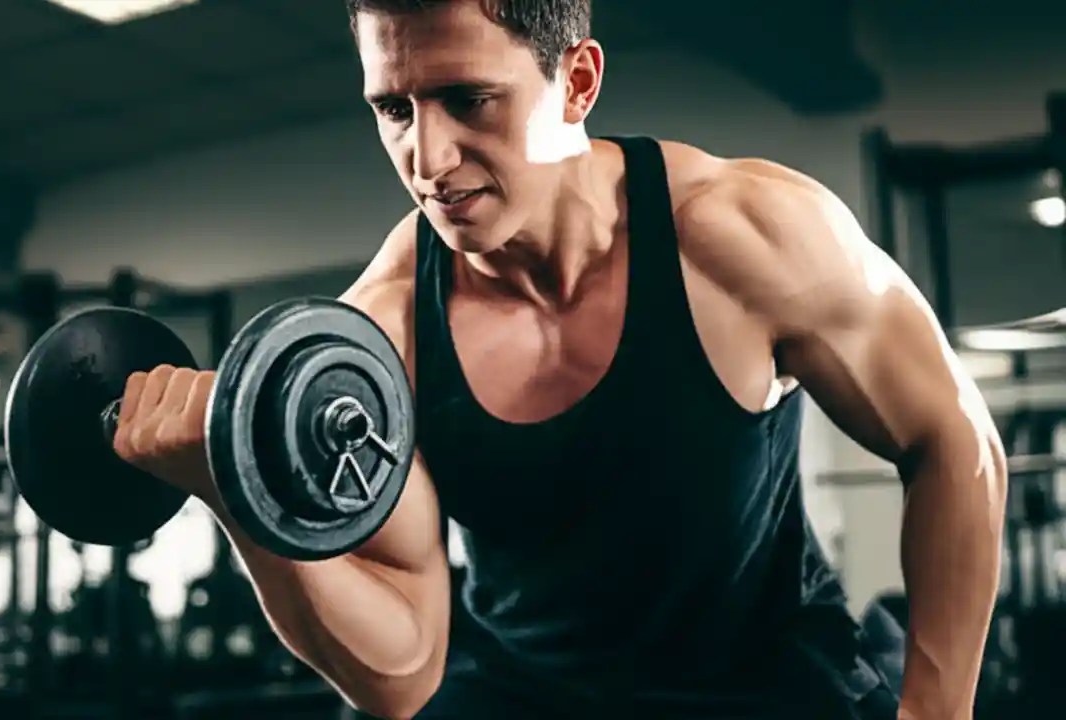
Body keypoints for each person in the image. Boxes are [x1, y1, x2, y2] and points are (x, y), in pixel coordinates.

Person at [110, 1, 1008, 718]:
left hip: (768, 689)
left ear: (576, 82)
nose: (427, 157)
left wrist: (935, 710)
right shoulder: (384, 330)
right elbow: (406, 672)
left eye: (468, 99)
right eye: (393, 109)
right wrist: (242, 499)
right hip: (523, 697)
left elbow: (952, 440)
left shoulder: (744, 235)